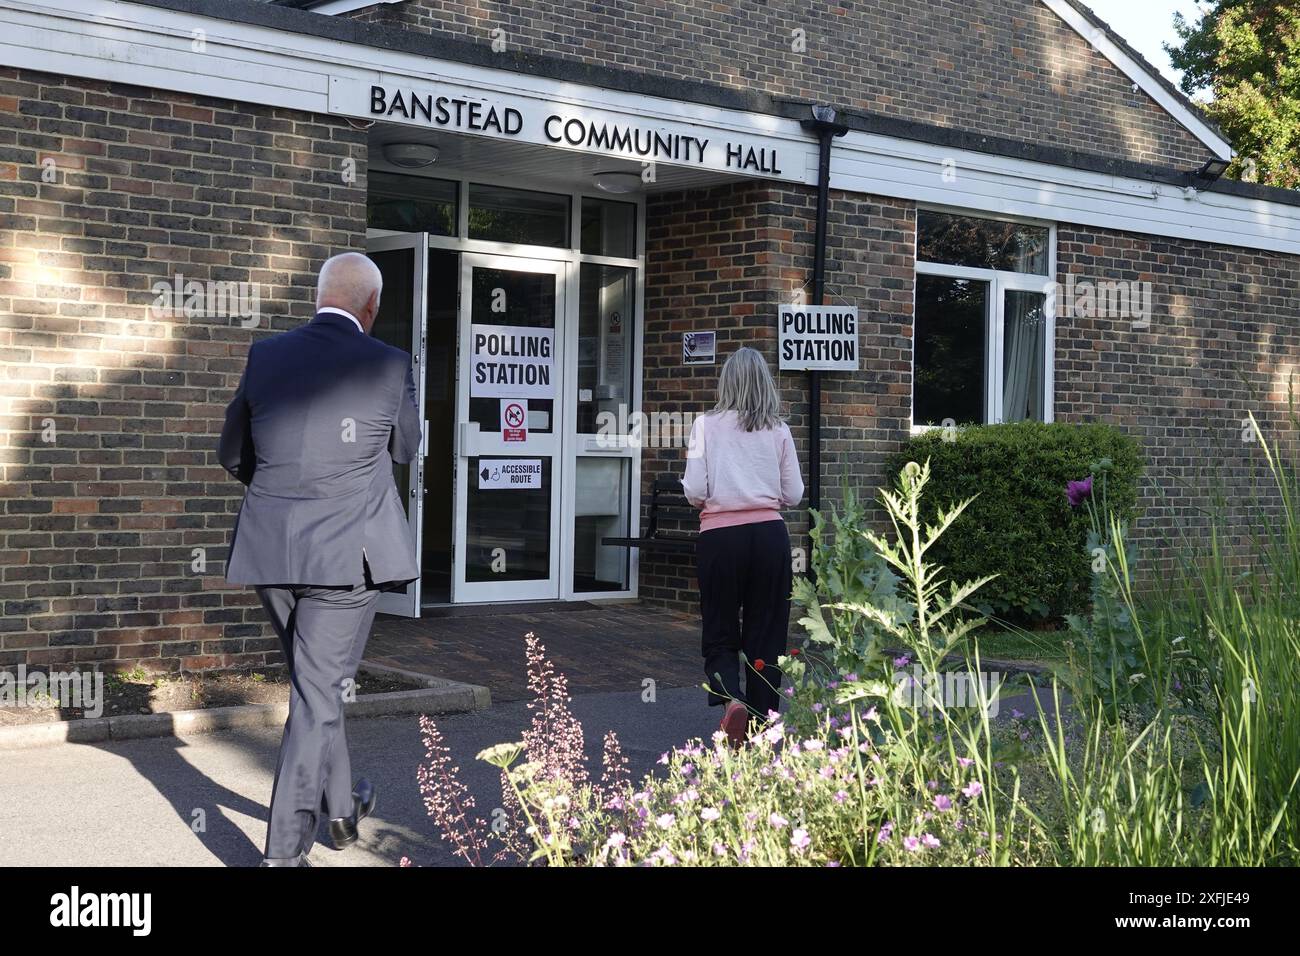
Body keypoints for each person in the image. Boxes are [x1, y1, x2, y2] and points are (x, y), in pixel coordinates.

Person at [218, 252, 421, 867]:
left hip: (272, 550)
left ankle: (339, 810)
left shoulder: (266, 355)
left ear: (317, 297)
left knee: (315, 689)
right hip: (345, 558)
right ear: (373, 306)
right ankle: (283, 852)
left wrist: (280, 493)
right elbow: (408, 449)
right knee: (315, 697)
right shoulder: (388, 363)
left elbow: (232, 453)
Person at [682, 346, 804, 746]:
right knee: (766, 633)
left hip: (720, 538)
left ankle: (729, 699)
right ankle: (763, 724)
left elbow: (696, 489)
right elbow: (795, 494)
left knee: (719, 627)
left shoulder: (705, 426)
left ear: (726, 383)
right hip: (769, 538)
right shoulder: (780, 430)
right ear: (765, 384)